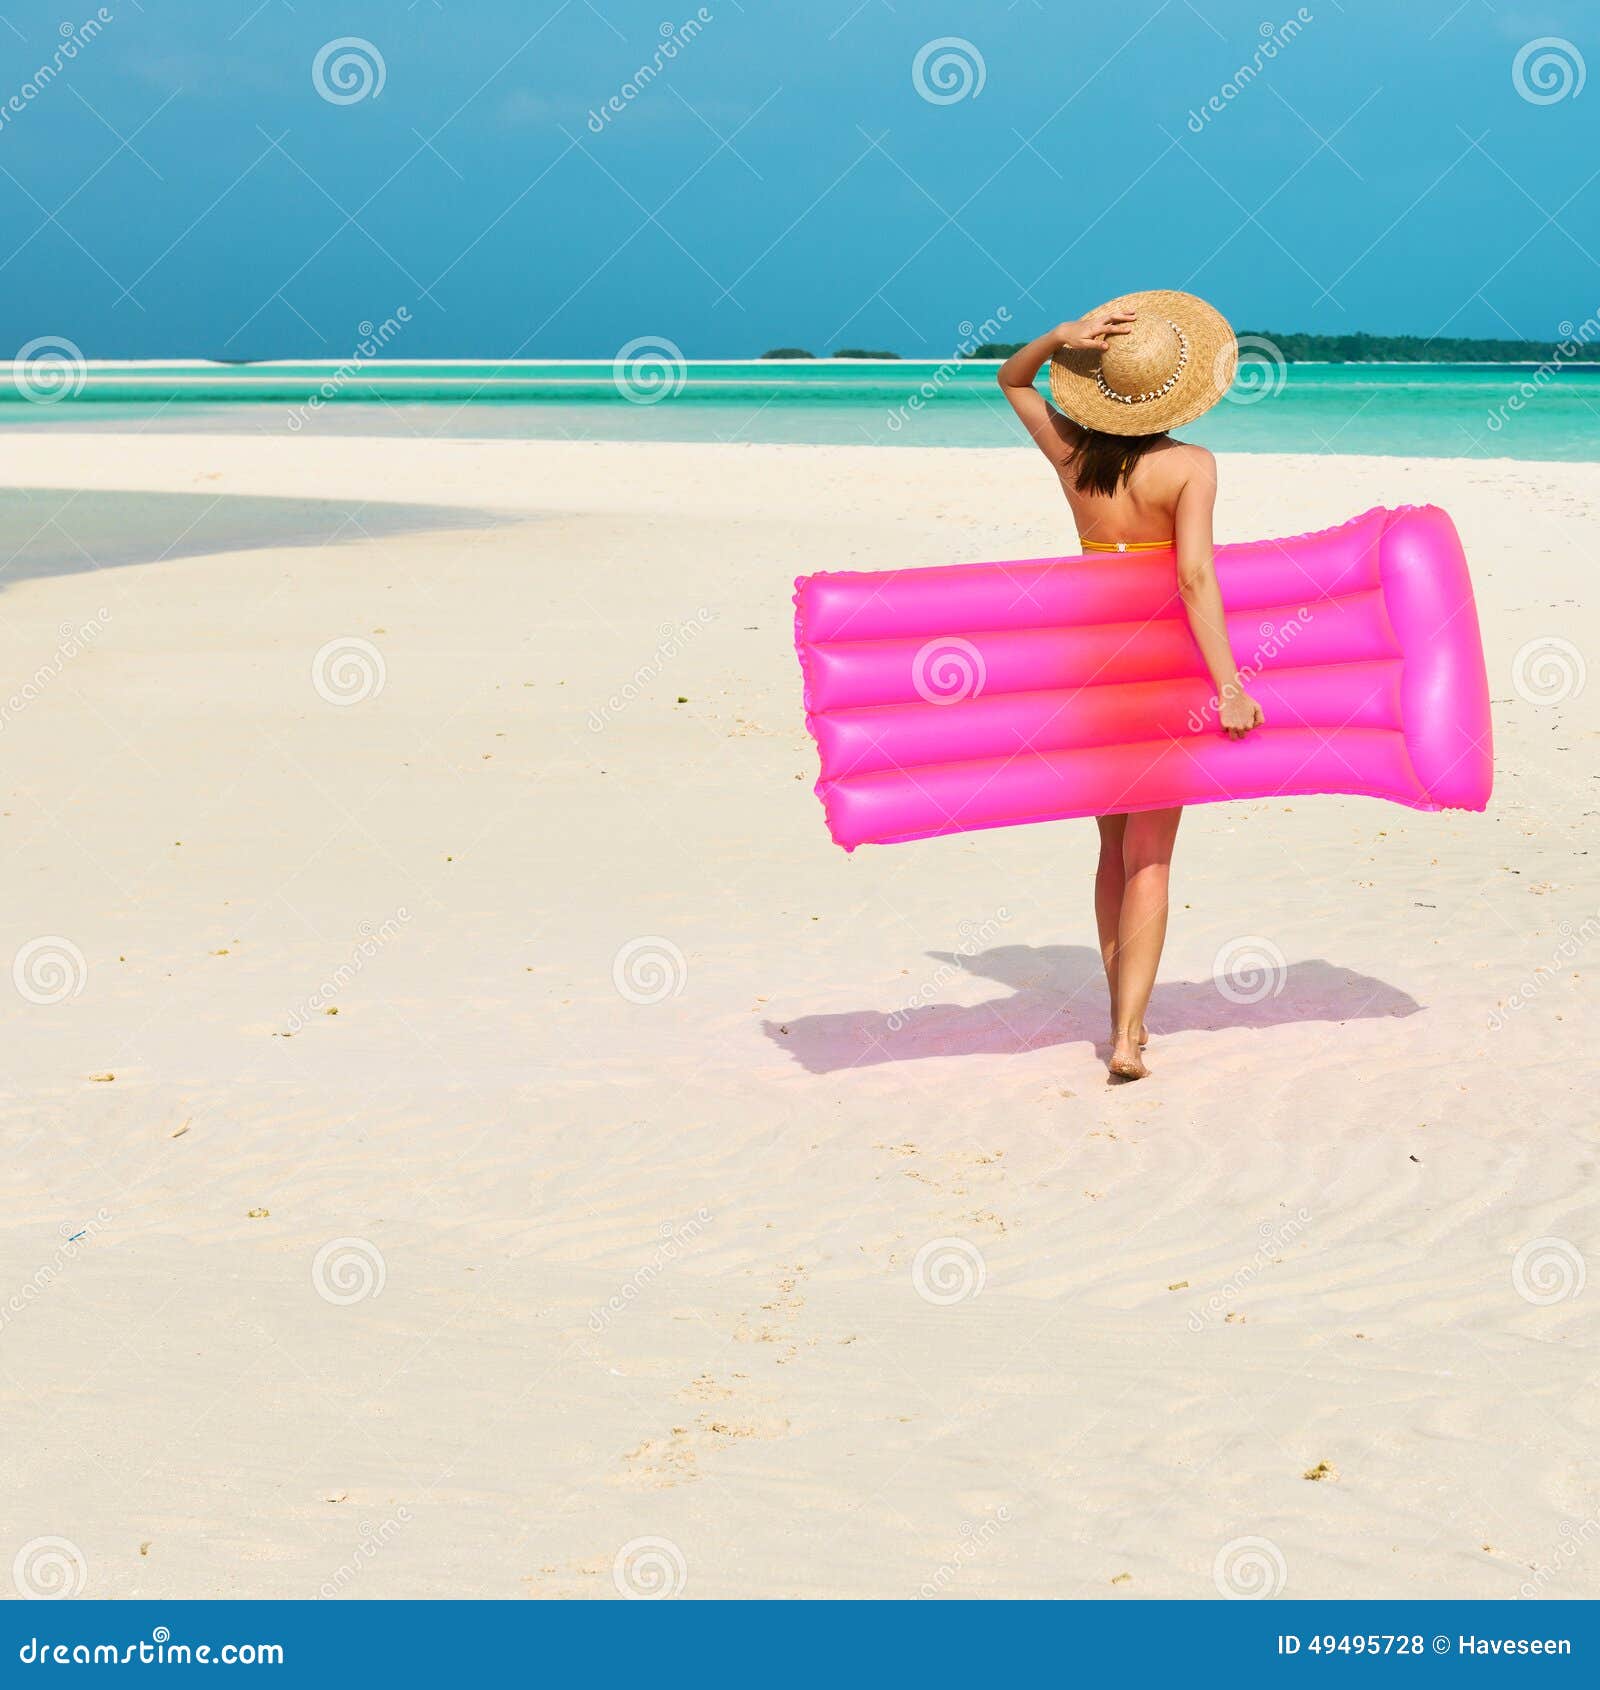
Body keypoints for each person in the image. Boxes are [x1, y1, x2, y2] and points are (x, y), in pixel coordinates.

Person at [996, 290, 1263, 1081]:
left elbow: (1011, 380)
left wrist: (1058, 337)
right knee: (1151, 856)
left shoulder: (1073, 457)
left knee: (1112, 849)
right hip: (1163, 671)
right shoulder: (1191, 467)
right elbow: (1193, 578)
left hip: (1093, 670)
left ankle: (1124, 1020)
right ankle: (1127, 1034)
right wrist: (1230, 685)